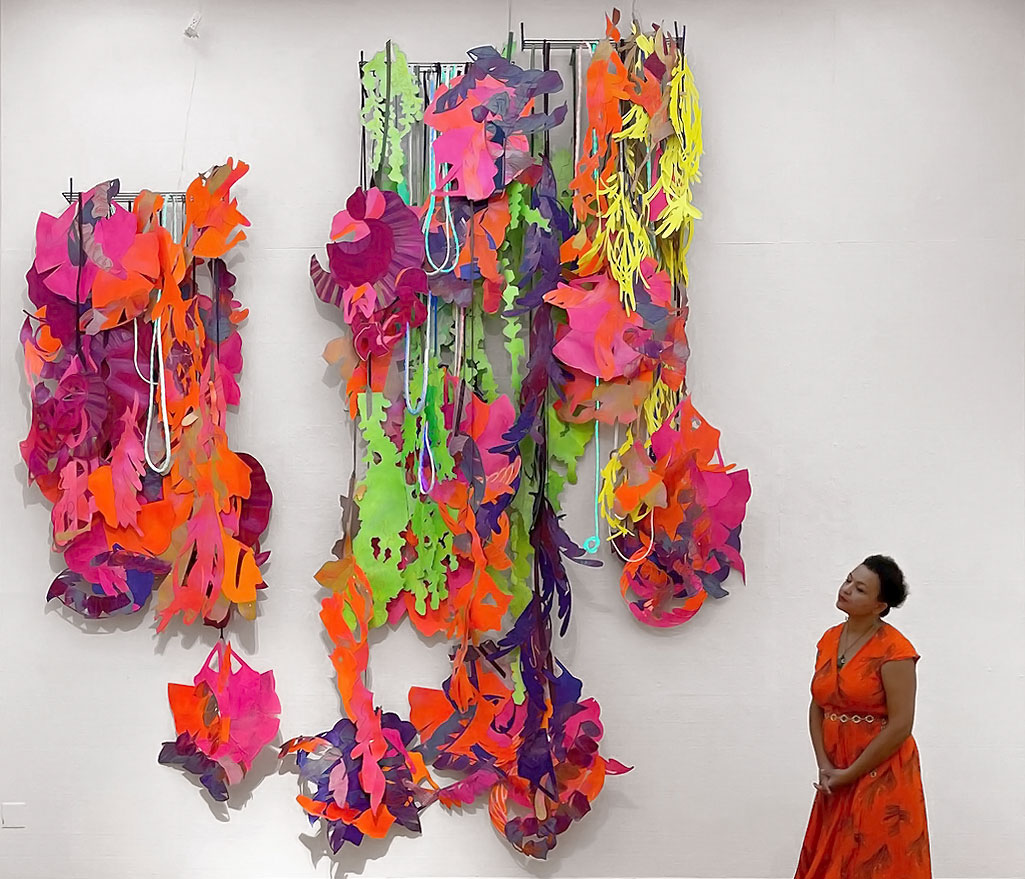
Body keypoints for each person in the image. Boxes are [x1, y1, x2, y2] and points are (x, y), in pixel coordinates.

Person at [795, 555, 931, 878]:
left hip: (881, 771)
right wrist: (825, 765)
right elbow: (818, 704)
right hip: (836, 769)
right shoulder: (829, 639)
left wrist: (850, 773)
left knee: (872, 860)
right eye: (848, 580)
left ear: (879, 606)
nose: (846, 590)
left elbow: (901, 725)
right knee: (834, 856)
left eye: (860, 589)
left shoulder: (896, 651)